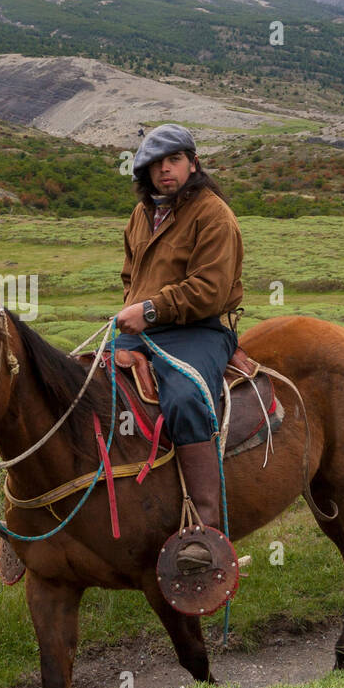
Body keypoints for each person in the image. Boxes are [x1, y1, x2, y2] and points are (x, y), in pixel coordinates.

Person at [116, 123, 243, 573]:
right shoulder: (140, 215)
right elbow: (132, 275)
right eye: (155, 164)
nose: (164, 170)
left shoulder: (214, 215)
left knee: (185, 397)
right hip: (142, 327)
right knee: (84, 385)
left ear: (193, 163)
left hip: (200, 328)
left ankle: (207, 531)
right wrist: (135, 309)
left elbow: (210, 289)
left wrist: (149, 311)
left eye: (173, 161)